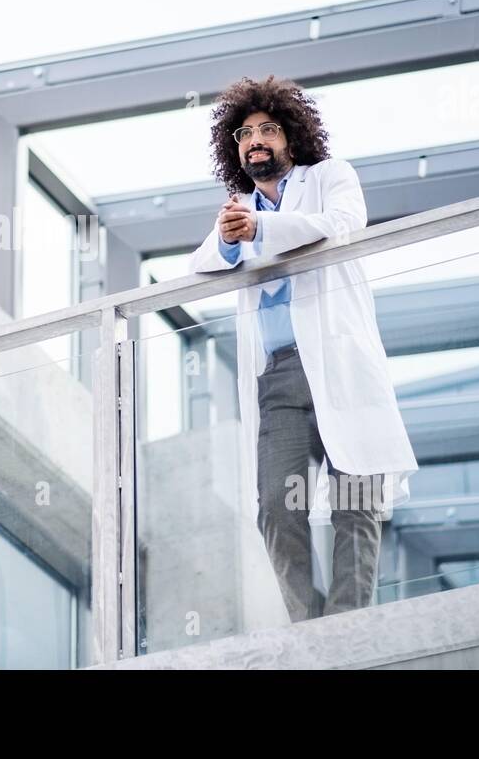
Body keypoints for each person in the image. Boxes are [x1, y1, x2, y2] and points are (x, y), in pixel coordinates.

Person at [188, 75, 418, 623]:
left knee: (356, 499)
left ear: (292, 135)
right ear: (235, 149)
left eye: (268, 128)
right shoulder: (236, 210)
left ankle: (349, 625)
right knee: (274, 505)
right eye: (244, 133)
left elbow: (341, 226)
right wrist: (229, 237)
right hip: (279, 379)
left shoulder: (329, 177)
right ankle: (309, 630)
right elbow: (201, 263)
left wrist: (259, 229)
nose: (255, 140)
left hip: (339, 365)